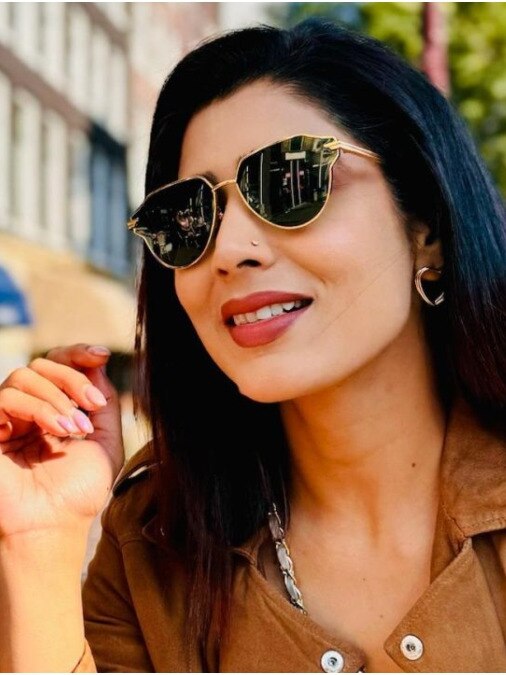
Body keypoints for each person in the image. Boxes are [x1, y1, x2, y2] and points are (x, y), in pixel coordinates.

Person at [1, 18, 505, 674]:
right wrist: (37, 543)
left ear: (426, 227)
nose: (229, 250)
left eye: (291, 183)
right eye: (187, 219)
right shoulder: (151, 540)